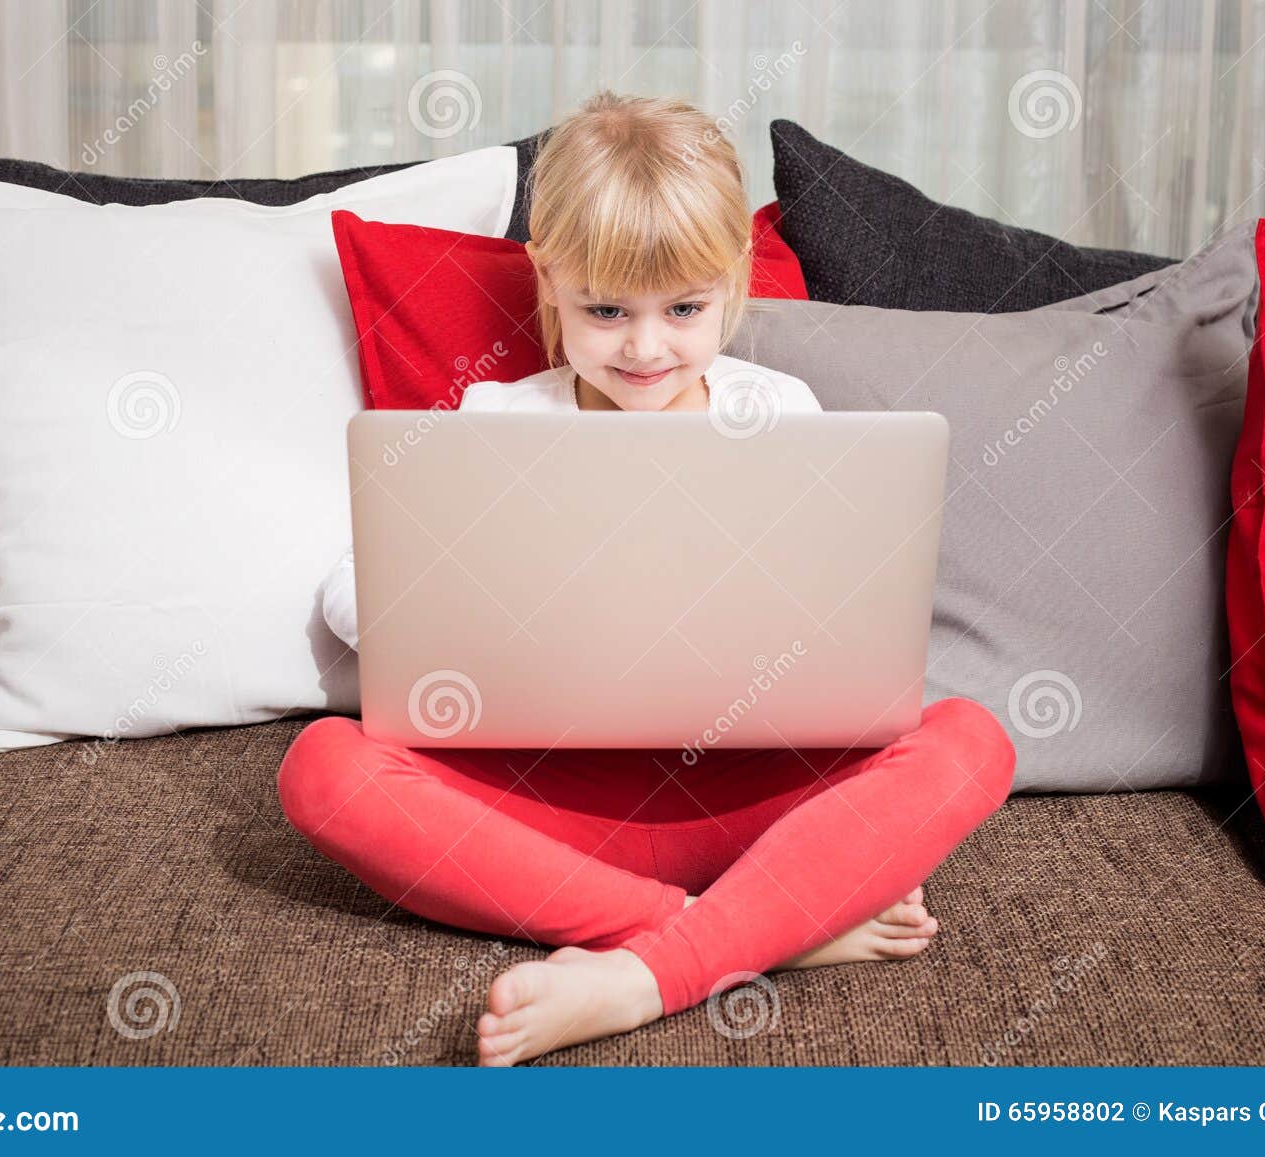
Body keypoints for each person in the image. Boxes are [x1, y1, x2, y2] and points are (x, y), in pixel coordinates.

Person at [279, 91, 1015, 1066]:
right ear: (549, 282)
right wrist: (480, 602)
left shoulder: (783, 412)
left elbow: (854, 614)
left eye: (683, 310)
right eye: (604, 310)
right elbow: (347, 594)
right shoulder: (494, 421)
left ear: (732, 288)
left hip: (754, 795)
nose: (644, 347)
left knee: (971, 738)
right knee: (322, 769)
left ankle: (639, 976)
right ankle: (748, 934)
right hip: (554, 809)